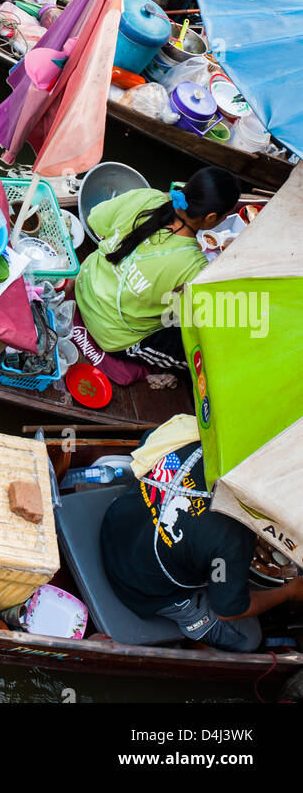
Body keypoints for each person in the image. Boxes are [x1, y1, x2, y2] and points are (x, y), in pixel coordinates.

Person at [101, 436, 303, 652]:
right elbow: (229, 610)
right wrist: (289, 592)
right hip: (138, 585)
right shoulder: (232, 540)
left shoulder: (193, 438)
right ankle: (193, 630)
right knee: (249, 639)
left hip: (118, 524)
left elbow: (145, 444)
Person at [72, 167, 241, 385]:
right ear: (211, 217)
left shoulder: (148, 197)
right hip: (111, 333)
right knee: (200, 357)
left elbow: (95, 220)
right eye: (226, 216)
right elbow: (197, 320)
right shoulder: (194, 267)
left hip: (85, 286)